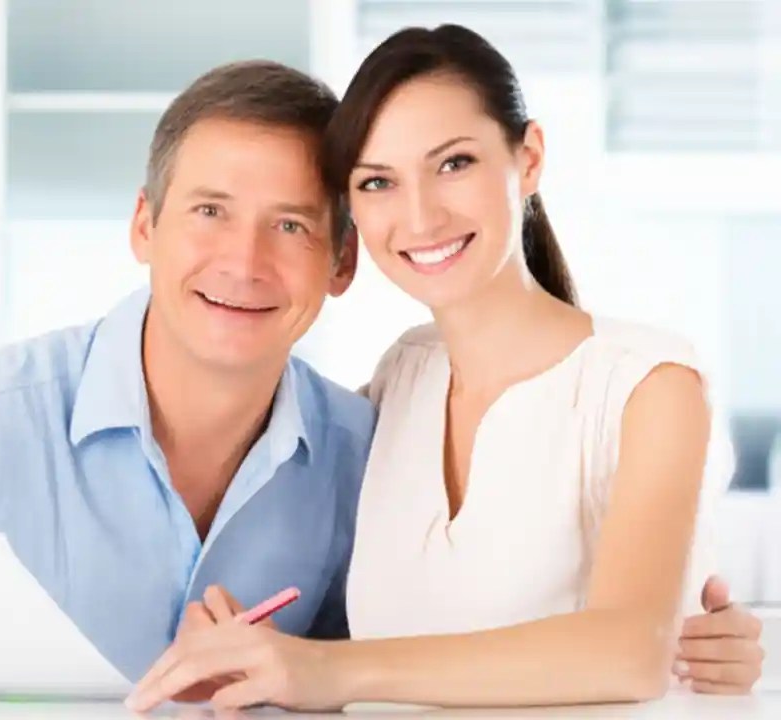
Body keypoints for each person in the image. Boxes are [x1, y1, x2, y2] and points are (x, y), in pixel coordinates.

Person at [0, 60, 764, 704]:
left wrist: (674, 635)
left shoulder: (367, 447)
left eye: (293, 227)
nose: (244, 262)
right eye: (209, 211)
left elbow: (462, 621)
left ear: (341, 266)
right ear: (143, 227)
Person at [125, 25, 762, 713]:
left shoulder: (647, 386)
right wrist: (236, 637)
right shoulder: (402, 378)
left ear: (530, 158)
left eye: (454, 164)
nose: (421, 215)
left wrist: (328, 671)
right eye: (377, 182)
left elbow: (627, 654)